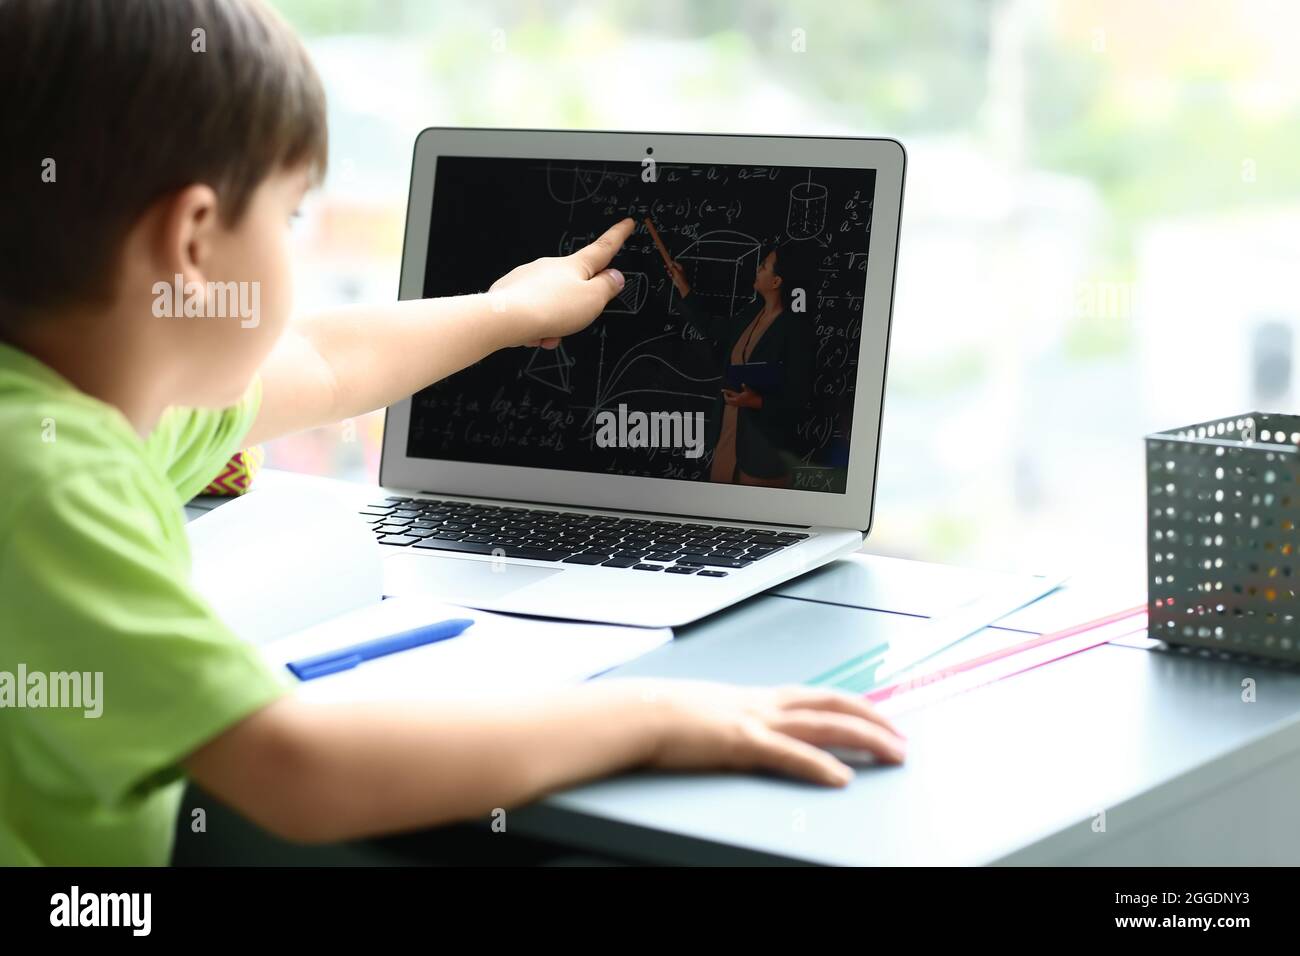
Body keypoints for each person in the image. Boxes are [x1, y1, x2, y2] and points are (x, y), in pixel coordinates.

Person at [0, 0, 905, 866]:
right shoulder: (54, 487)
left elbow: (321, 362)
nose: (296, 247)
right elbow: (296, 768)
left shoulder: (64, 407)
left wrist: (506, 312)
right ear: (192, 245)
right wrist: (655, 720)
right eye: (288, 218)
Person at [665, 244, 819, 486]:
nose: (757, 269)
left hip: (763, 450)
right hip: (729, 437)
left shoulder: (796, 330)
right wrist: (682, 284)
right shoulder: (753, 313)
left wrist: (755, 401)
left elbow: (799, 399)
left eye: (764, 266)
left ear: (777, 281)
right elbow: (711, 327)